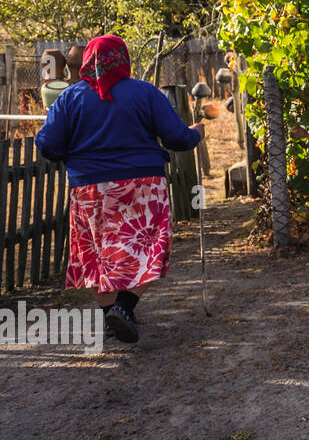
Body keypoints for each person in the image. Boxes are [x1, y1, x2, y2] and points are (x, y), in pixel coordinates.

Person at [35, 35, 204, 344]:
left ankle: (111, 317)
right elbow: (177, 138)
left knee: (96, 254)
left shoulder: (69, 98)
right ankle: (123, 308)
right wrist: (196, 134)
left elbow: (48, 145)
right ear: (123, 60)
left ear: (87, 62)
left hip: (89, 188)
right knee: (149, 247)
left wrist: (74, 153)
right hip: (142, 185)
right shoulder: (145, 92)